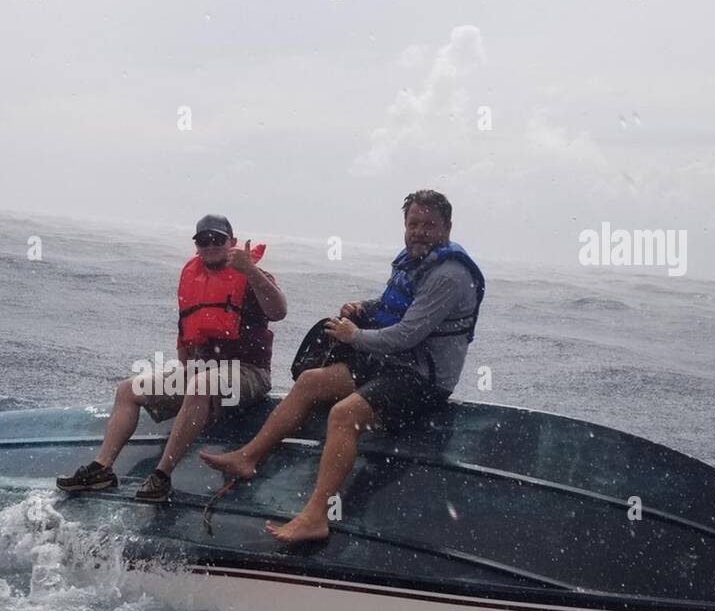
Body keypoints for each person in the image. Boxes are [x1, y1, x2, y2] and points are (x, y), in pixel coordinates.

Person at [201, 189, 485, 541]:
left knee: (343, 415)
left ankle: (316, 517)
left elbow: (407, 334)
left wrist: (353, 336)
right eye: (414, 224)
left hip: (423, 378)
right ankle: (247, 456)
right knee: (311, 382)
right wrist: (362, 308)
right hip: (394, 363)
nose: (419, 231)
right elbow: (389, 305)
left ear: (447, 228)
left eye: (429, 225)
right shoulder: (414, 260)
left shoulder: (450, 275)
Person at [57, 214, 286, 502]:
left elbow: (279, 311)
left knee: (201, 384)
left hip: (249, 372)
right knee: (128, 389)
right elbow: (185, 339)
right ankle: (102, 469)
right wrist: (190, 395)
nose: (211, 245)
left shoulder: (254, 276)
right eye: (204, 240)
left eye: (218, 239)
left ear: (232, 243)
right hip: (204, 374)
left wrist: (251, 272)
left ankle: (161, 476)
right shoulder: (192, 278)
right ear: (197, 246)